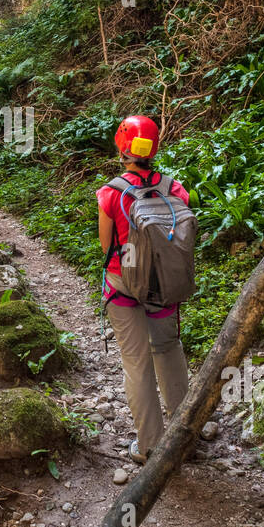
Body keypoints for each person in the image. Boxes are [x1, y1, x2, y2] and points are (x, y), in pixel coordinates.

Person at [97, 114, 190, 464]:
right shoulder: (175, 189)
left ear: (123, 146)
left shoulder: (111, 192)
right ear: (154, 147)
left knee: (136, 363)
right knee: (168, 350)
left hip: (123, 285)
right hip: (164, 287)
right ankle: (183, 436)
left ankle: (150, 446)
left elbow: (107, 247)